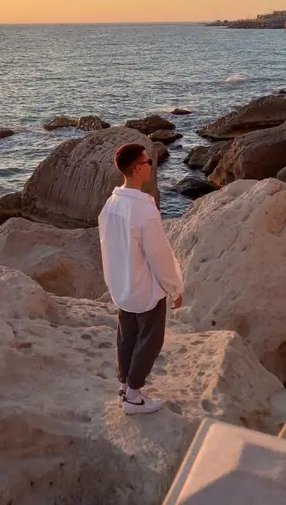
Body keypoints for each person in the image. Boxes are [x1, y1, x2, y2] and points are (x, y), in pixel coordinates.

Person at [98, 143, 184, 415]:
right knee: (150, 341)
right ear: (137, 169)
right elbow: (159, 255)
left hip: (122, 285)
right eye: (148, 162)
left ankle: (124, 387)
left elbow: (107, 246)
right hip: (145, 288)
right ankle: (134, 397)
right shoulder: (144, 210)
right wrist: (175, 287)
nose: (151, 166)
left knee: (126, 338)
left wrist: (114, 281)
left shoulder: (111, 204)